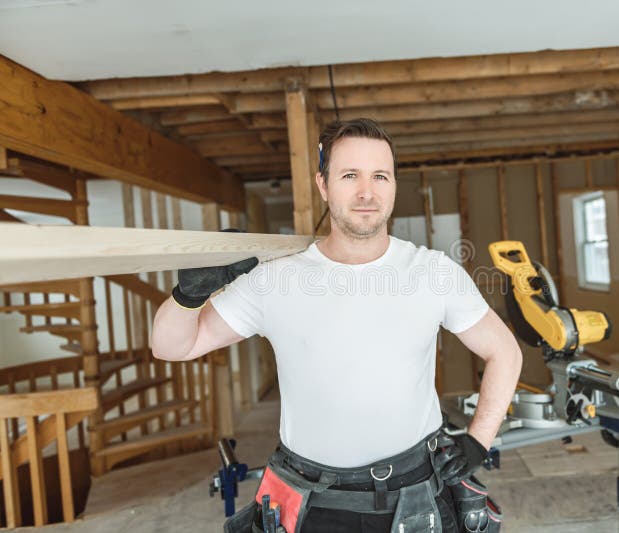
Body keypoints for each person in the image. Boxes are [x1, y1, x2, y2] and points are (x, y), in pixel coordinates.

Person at [151, 118, 522, 533]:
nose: (367, 191)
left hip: (415, 497)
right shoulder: (277, 278)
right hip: (312, 502)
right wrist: (187, 297)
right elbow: (172, 346)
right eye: (350, 175)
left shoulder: (432, 272)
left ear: (394, 186)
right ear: (323, 185)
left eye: (380, 176)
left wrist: (477, 441)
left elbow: (505, 351)